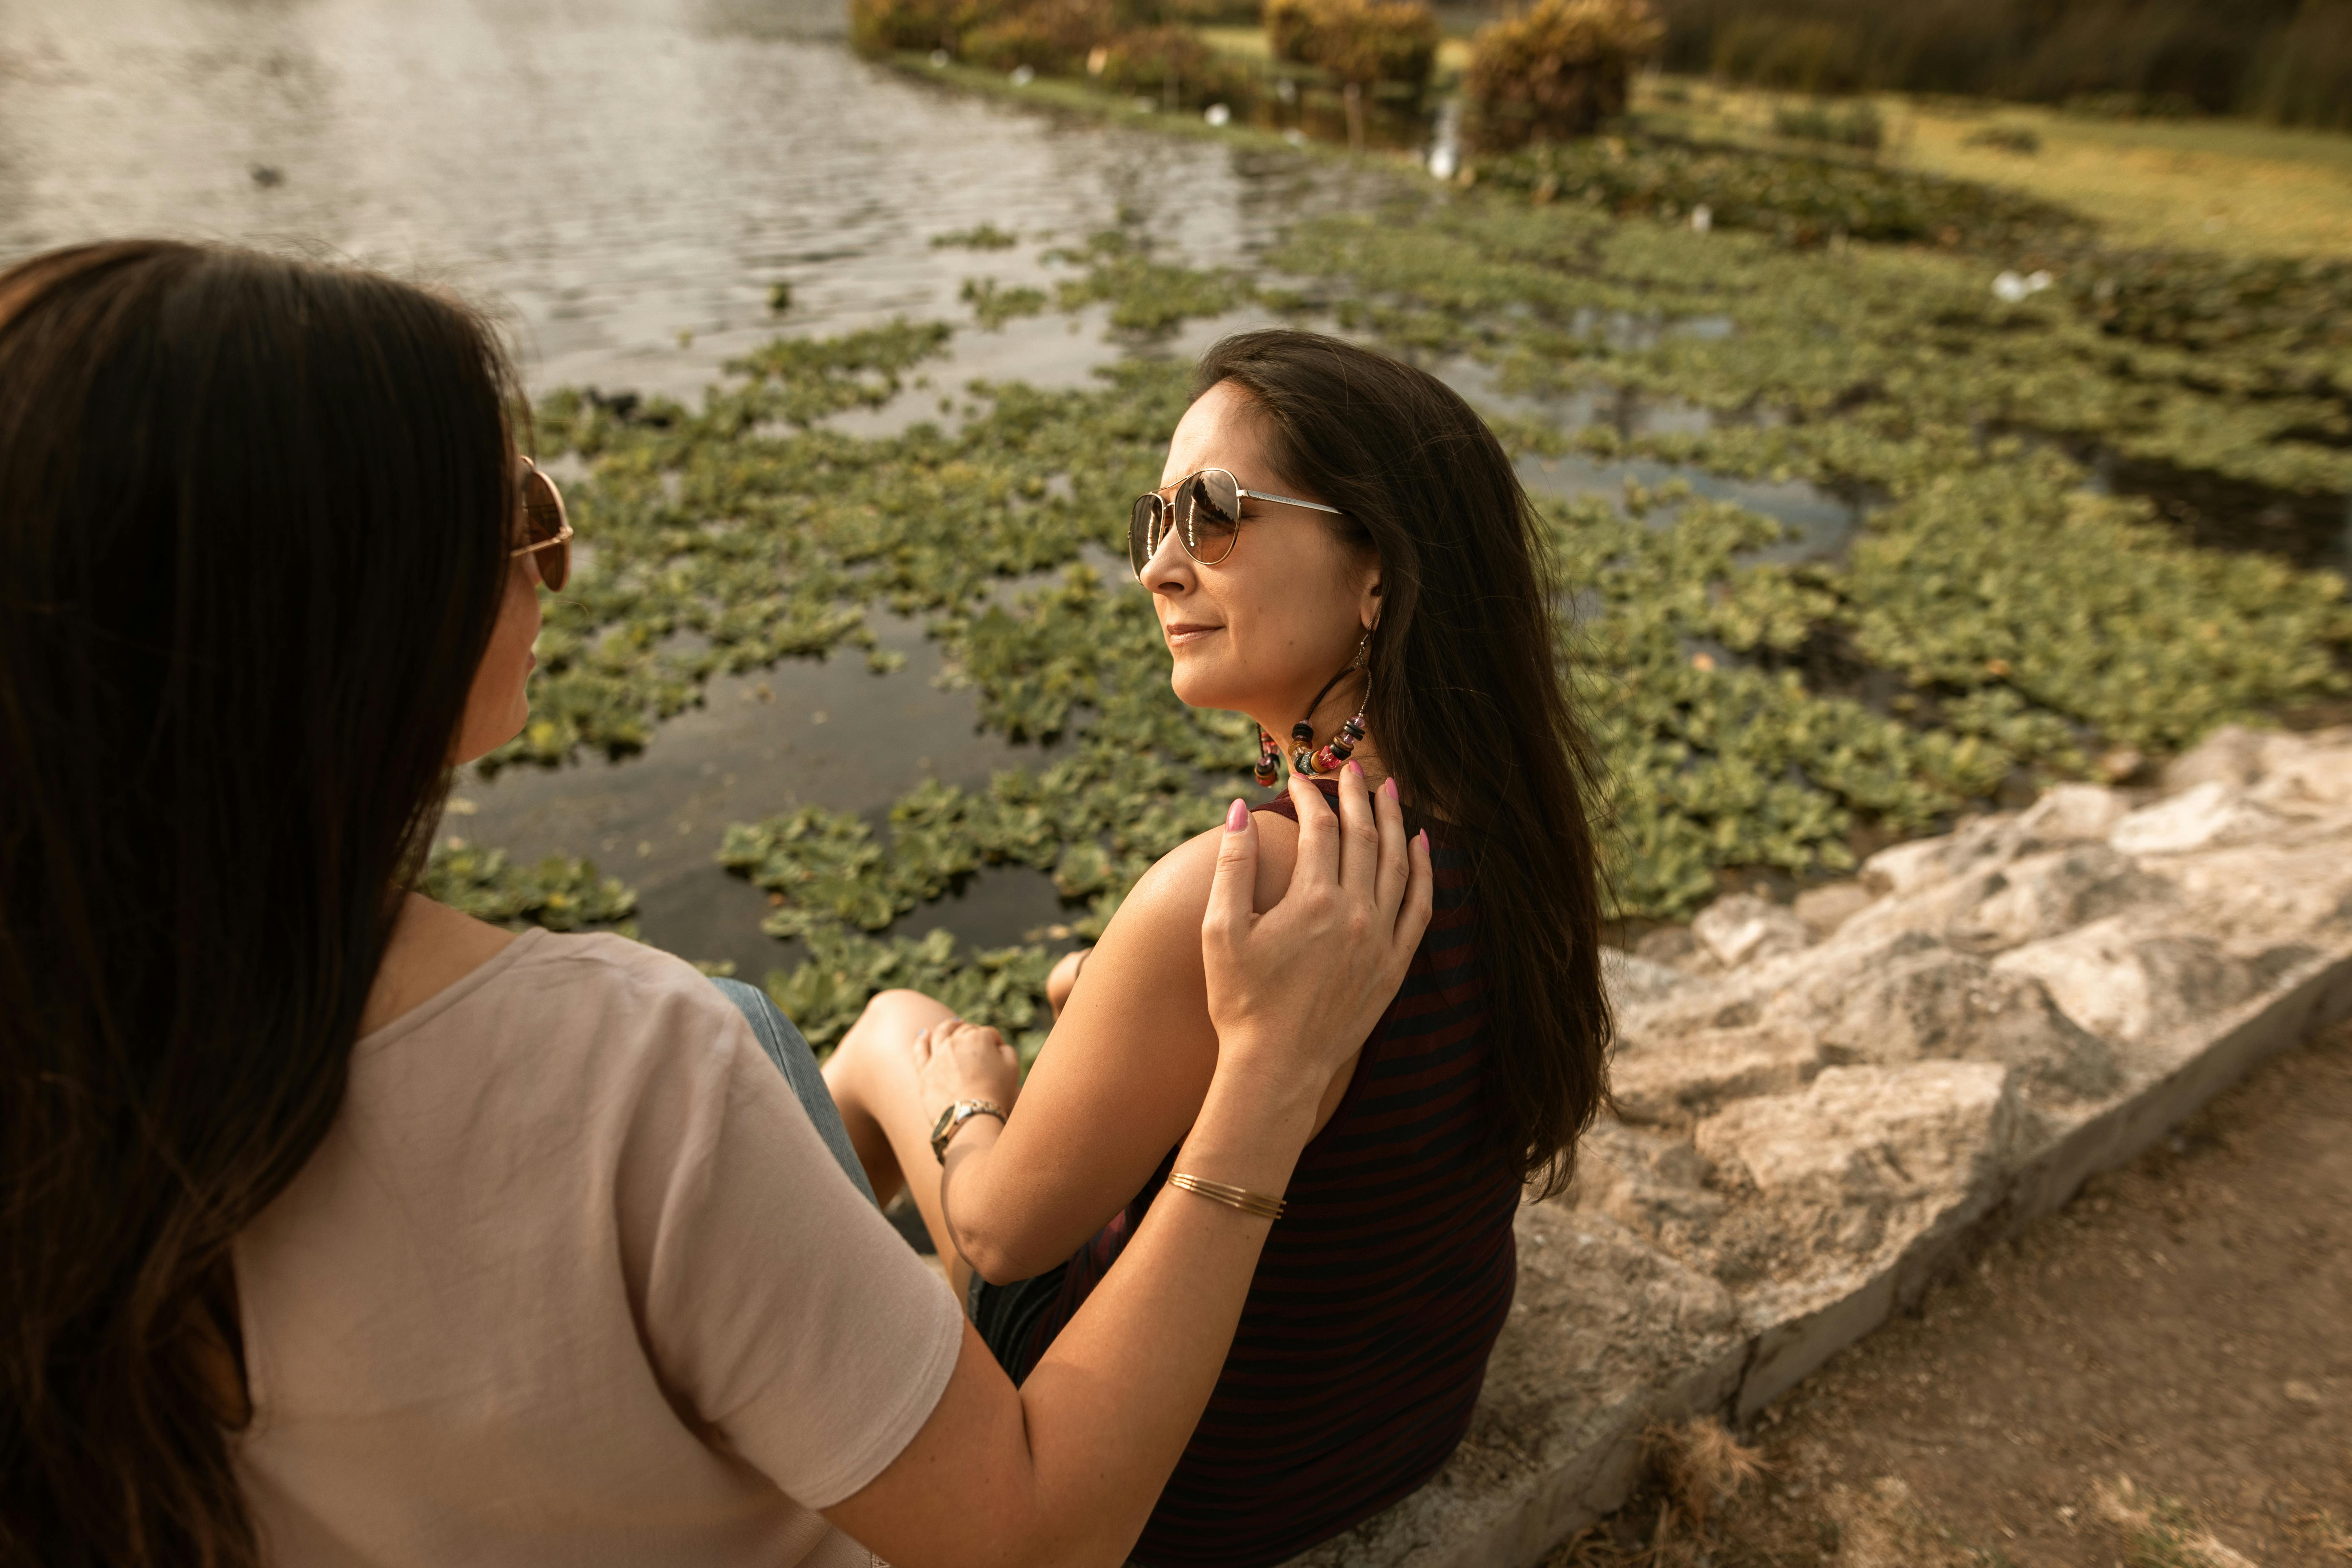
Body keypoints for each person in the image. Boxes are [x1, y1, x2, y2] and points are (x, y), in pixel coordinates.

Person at [0, 241, 1433, 1568]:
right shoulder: (624, 1072)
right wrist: (1262, 1077)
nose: (553, 557)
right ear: (342, 607)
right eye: (519, 514)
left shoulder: (74, 1053)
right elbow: (1032, 1526)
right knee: (760, 1035)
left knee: (760, 1018)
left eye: (1213, 517)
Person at [823, 329, 1617, 1567]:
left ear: (1375, 572)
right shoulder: (1514, 835)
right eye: (1155, 520)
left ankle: (745, 1384)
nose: (1160, 567)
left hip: (1169, 1474)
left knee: (890, 1031)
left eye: (1214, 512)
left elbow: (998, 1234)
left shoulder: (1239, 885)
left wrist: (967, 1104)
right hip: (1393, 1429)